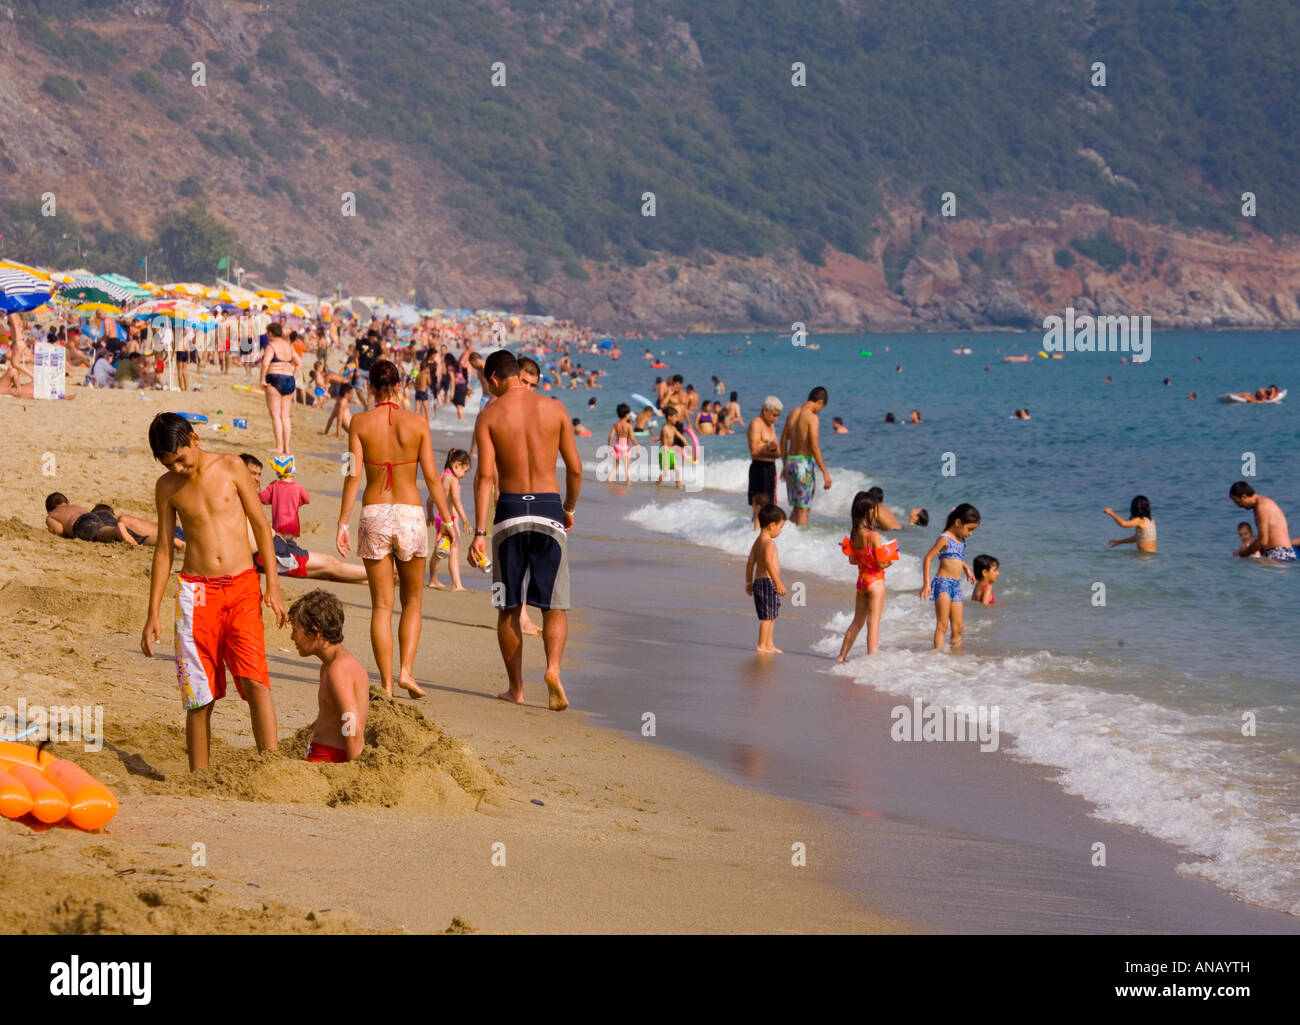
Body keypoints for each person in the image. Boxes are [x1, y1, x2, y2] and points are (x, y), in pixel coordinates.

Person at [139, 413, 285, 771]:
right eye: (168, 463)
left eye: (181, 458)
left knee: (254, 679)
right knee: (199, 694)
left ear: (195, 439)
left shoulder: (232, 467)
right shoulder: (167, 487)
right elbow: (164, 550)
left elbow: (260, 526)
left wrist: (273, 585)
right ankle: (199, 777)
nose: (178, 467)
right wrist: (152, 612)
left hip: (242, 585)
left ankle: (273, 769)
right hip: (196, 594)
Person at [471, 349, 581, 710]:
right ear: (521, 375)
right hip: (549, 509)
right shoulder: (555, 408)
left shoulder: (489, 414)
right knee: (554, 605)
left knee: (507, 605)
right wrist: (568, 509)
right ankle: (552, 669)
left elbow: (486, 476)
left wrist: (478, 533)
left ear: (495, 380)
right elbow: (576, 469)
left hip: (510, 512)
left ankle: (516, 688)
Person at [337, 360, 454, 698]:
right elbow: (433, 477)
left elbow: (353, 475)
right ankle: (406, 672)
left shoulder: (359, 423)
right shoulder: (418, 422)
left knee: (381, 607)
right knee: (413, 601)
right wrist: (447, 521)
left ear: (371, 387)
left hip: (373, 512)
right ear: (401, 385)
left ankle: (386, 685)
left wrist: (343, 521)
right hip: (409, 514)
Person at [239, 455, 365, 583]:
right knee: (330, 563)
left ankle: (373, 579)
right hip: (275, 555)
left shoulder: (246, 496)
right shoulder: (236, 498)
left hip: (277, 550)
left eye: (259, 474)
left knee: (327, 571)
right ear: (239, 472)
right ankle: (380, 574)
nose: (257, 479)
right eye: (253, 473)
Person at [288, 590, 369, 763]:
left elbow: (351, 723)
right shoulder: (330, 664)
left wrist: (355, 770)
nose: (292, 637)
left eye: (296, 630)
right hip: (322, 754)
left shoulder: (339, 669)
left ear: (315, 634)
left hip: (329, 758)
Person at [836, 492, 898, 661]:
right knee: (873, 624)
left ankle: (841, 656)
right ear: (870, 511)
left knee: (857, 622)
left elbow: (852, 560)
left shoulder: (854, 534)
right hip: (876, 581)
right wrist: (891, 559)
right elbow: (880, 564)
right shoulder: (873, 536)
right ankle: (872, 660)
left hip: (862, 581)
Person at [919, 504, 980, 649]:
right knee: (943, 624)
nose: (971, 533)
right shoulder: (945, 539)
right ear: (958, 522)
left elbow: (957, 558)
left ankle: (955, 658)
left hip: (956, 585)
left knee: (958, 628)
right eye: (969, 529)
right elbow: (928, 558)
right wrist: (926, 583)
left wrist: (966, 569)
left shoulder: (962, 541)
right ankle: (939, 657)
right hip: (943, 583)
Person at [45, 493, 181, 548]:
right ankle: (170, 541)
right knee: (137, 538)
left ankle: (116, 530)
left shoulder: (51, 515)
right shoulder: (75, 506)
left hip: (82, 521)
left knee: (99, 532)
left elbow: (58, 529)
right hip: (98, 514)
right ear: (67, 502)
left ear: (49, 510)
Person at [780, 386, 832, 525]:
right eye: (822, 407)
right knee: (804, 510)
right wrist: (825, 473)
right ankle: (800, 544)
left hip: (791, 462)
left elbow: (783, 440)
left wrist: (784, 464)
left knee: (797, 508)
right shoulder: (812, 417)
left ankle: (785, 537)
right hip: (804, 465)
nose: (820, 410)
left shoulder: (792, 413)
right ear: (820, 402)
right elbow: (814, 447)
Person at [745, 503, 787, 655]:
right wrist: (778, 582)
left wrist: (749, 581)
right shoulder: (769, 543)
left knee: (771, 615)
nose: (780, 531)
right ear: (772, 525)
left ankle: (769, 643)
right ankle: (762, 644)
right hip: (768, 582)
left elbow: (750, 562)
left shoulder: (757, 542)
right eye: (781, 527)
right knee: (768, 617)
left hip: (758, 582)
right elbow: (769, 563)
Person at [428, 449, 472, 591]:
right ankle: (457, 584)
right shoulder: (453, 480)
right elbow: (457, 501)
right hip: (450, 521)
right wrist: (465, 520)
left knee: (439, 551)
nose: (464, 475)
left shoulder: (442, 477)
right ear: (457, 465)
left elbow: (430, 499)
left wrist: (430, 515)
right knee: (454, 551)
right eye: (464, 471)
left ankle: (433, 580)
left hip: (440, 519)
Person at [260, 323, 302, 455]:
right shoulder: (289, 346)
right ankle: (287, 448)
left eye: (268, 333)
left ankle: (279, 446)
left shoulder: (271, 346)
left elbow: (265, 363)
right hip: (289, 379)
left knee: (276, 416)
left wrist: (262, 379)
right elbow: (299, 363)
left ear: (271, 333)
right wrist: (294, 377)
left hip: (275, 378)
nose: (267, 336)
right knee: (286, 416)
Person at [1230, 481, 1295, 560]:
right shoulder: (1259, 505)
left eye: (1238, 502)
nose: (1238, 506)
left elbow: (1263, 541)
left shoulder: (1262, 507)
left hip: (1280, 553)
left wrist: (1244, 553)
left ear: (1244, 497)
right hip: (1278, 552)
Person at [747, 397, 782, 528]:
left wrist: (770, 450)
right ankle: (753, 535)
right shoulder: (756, 423)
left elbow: (778, 451)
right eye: (774, 415)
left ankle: (764, 535)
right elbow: (755, 451)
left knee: (770, 506)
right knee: (759, 507)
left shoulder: (771, 426)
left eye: (778, 415)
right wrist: (770, 450)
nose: (776, 419)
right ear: (765, 410)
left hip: (770, 467)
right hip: (759, 468)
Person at [258, 454, 310, 540]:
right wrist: (298, 502)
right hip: (293, 525)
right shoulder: (297, 487)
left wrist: (258, 490)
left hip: (279, 525)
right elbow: (307, 499)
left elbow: (264, 499)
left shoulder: (274, 485)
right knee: (292, 548)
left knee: (279, 549)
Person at [607, 403, 640, 484]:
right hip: (625, 446)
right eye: (628, 413)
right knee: (626, 467)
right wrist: (638, 447)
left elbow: (611, 436)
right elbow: (632, 438)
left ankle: (609, 481)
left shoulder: (615, 424)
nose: (629, 415)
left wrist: (609, 447)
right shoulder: (628, 425)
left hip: (617, 446)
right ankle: (628, 482)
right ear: (626, 414)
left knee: (615, 466)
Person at [658, 406, 688, 488]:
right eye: (675, 417)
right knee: (665, 473)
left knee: (677, 470)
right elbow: (664, 443)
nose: (677, 419)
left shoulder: (674, 428)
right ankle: (657, 484)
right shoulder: (664, 428)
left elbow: (682, 437)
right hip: (664, 451)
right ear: (669, 417)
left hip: (670, 451)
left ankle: (678, 487)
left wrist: (688, 447)